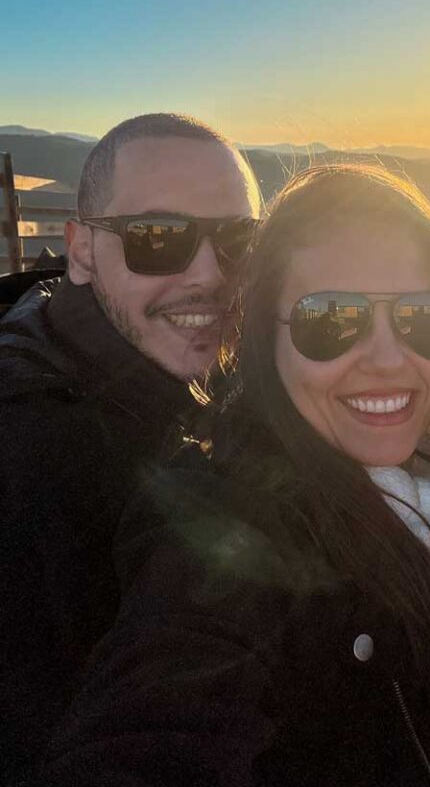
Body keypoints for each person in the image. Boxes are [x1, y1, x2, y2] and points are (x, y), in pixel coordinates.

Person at [33, 165, 430, 786]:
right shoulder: (231, 524)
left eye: (422, 316)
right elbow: (157, 716)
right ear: (266, 337)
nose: (390, 360)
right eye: (330, 320)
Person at [0, 113, 260, 783]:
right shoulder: (41, 461)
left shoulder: (79, 334)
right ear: (81, 250)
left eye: (237, 240)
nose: (208, 274)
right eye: (158, 237)